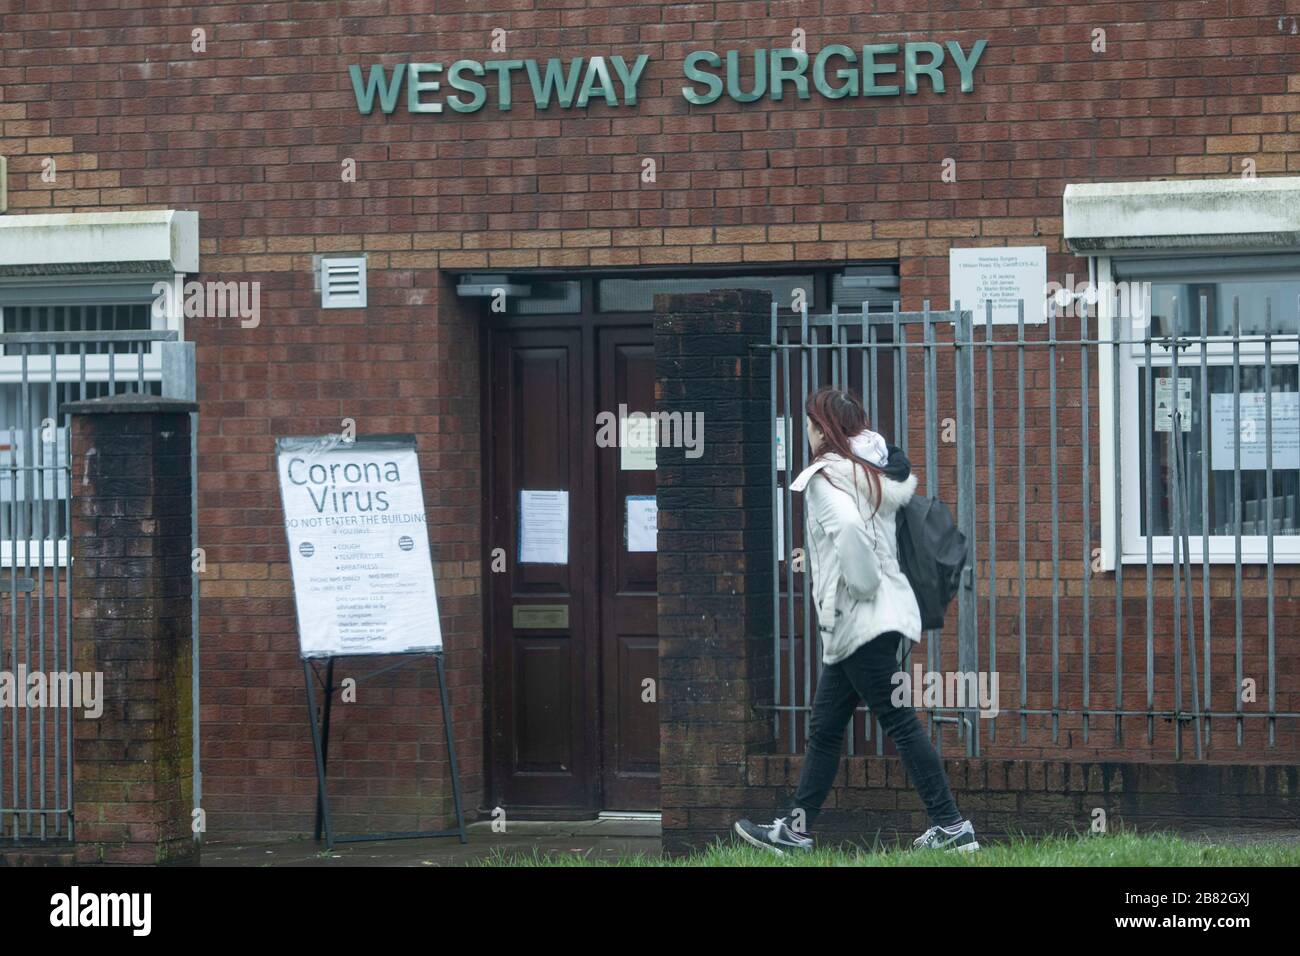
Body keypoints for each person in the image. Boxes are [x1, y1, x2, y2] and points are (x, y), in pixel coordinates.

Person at [734, 386, 978, 855]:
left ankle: (951, 826)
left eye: (808, 424)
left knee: (899, 723)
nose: (806, 432)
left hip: (860, 618)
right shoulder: (873, 473)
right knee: (826, 729)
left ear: (823, 429)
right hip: (871, 621)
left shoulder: (828, 479)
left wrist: (861, 587)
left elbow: (847, 531)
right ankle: (796, 831)